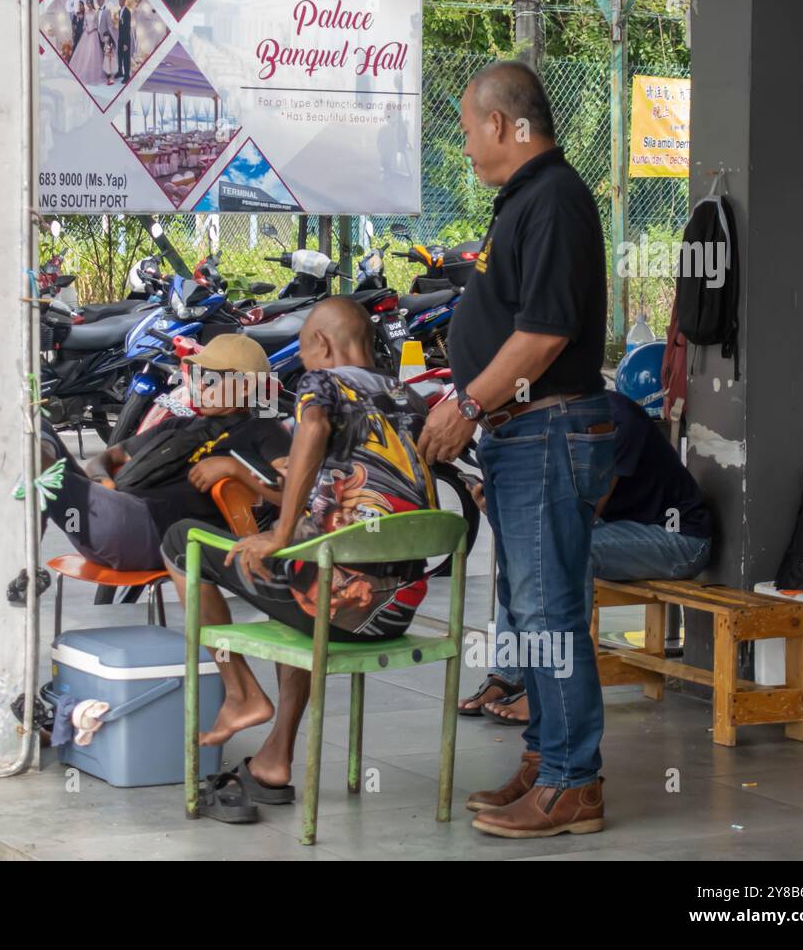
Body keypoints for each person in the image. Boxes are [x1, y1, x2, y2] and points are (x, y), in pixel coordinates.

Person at [416, 60, 613, 839]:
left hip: (548, 428)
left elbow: (545, 331)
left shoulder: (556, 199)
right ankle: (547, 759)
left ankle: (574, 783)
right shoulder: (527, 200)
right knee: (531, 613)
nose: (464, 145)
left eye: (467, 129)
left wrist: (469, 403)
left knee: (550, 613)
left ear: (501, 124)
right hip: (525, 434)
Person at [161, 298, 436, 796]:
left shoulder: (323, 385)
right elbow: (333, 490)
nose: (304, 371)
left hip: (339, 607)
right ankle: (274, 759)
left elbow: (310, 427)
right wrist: (279, 512)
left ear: (322, 345)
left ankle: (240, 691)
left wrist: (281, 532)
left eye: (306, 356)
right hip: (397, 611)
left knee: (182, 541)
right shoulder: (409, 399)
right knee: (298, 569)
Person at [461, 390, 713, 725]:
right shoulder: (551, 421)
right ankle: (507, 674)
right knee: (526, 546)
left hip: (678, 540)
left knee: (566, 548)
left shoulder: (617, 419)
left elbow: (584, 513)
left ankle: (555, 692)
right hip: (621, 528)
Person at [40, 334, 288, 572]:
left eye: (212, 378)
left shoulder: (262, 430)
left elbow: (292, 492)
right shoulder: (180, 424)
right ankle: (22, 568)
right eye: (198, 374)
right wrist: (99, 478)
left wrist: (233, 468)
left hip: (146, 532)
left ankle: (21, 575)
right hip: (91, 522)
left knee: (37, 462)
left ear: (245, 387)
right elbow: (111, 456)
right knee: (37, 431)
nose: (200, 384)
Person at [116, 0, 134, 83]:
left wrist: (126, 43)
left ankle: (127, 76)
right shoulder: (120, 11)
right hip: (120, 37)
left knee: (126, 58)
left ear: (125, 0)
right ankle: (120, 72)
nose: (119, 1)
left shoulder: (127, 12)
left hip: (126, 38)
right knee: (119, 56)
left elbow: (127, 27)